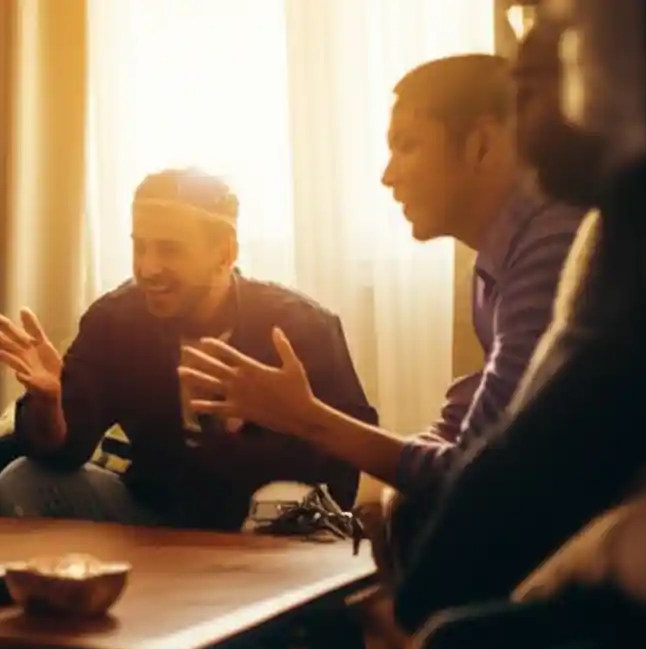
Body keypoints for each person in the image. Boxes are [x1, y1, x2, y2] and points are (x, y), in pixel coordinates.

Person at [178, 54, 586, 555]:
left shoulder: (550, 249)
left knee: (418, 532)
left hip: (584, 522)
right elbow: (470, 419)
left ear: (480, 144)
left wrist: (304, 416)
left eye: (407, 146)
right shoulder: (494, 263)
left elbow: (472, 471)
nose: (388, 176)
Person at [390, 0, 646, 634]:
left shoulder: (560, 239)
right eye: (524, 17)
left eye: (561, 16)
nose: (530, 53)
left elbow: (502, 472)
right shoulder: (603, 231)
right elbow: (498, 445)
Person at [0, 168, 375, 533]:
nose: (148, 268)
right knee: (21, 482)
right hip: (155, 519)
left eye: (168, 250)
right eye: (140, 247)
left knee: (280, 501)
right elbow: (65, 448)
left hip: (264, 526)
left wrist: (240, 444)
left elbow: (344, 468)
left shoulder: (301, 327)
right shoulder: (115, 320)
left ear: (224, 254)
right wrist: (48, 404)